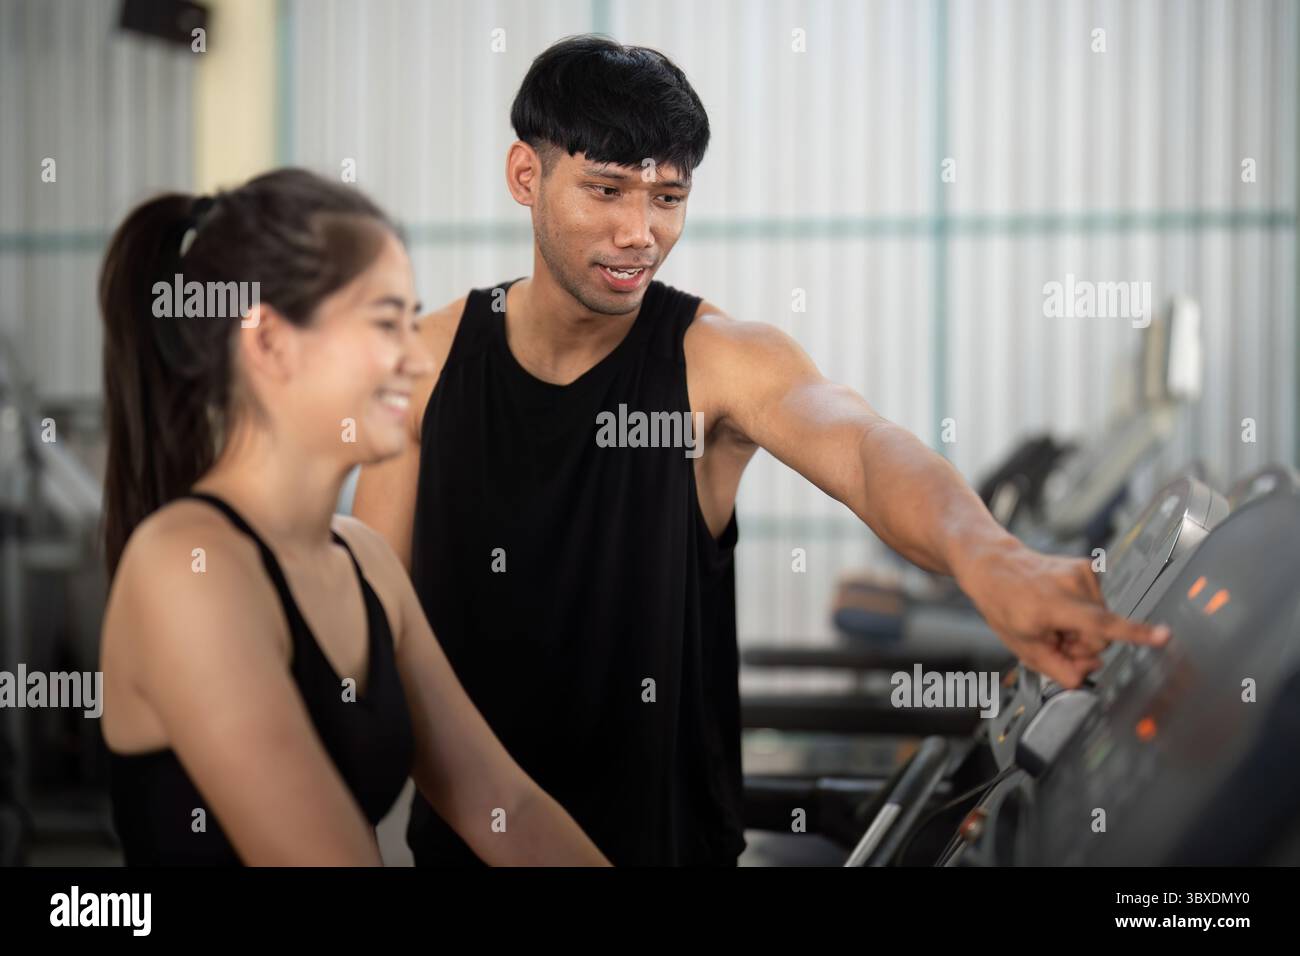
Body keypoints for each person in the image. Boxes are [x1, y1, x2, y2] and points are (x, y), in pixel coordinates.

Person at [352, 35, 1170, 867]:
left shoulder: (715, 360)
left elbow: (862, 447)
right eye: (605, 190)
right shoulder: (420, 370)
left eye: (667, 198)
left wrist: (989, 556)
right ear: (526, 176)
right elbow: (373, 643)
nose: (639, 232)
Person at [97, 168, 608, 866]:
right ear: (270, 342)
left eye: (412, 319)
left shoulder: (365, 561)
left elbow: (504, 806)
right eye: (384, 323)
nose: (416, 360)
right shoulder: (190, 569)